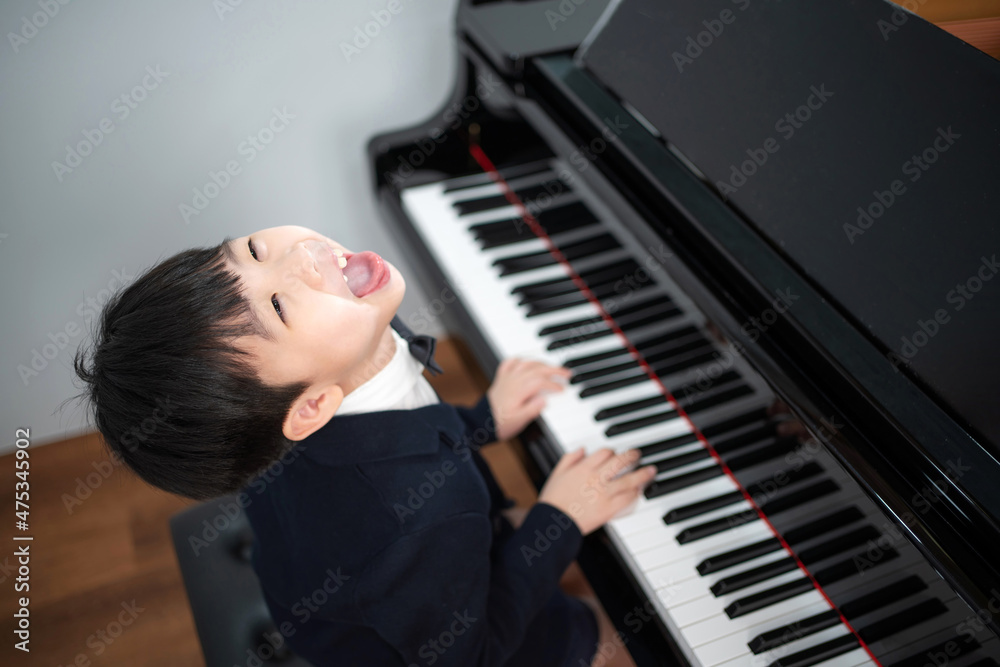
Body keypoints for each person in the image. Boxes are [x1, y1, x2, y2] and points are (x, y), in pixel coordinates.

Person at [73, 224, 657, 666]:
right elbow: (471, 653)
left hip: (344, 570)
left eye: (251, 250)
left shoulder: (351, 340)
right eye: (278, 307)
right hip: (405, 636)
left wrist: (481, 420)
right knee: (606, 638)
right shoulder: (417, 520)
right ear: (310, 408)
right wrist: (561, 518)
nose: (299, 254)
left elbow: (399, 426)